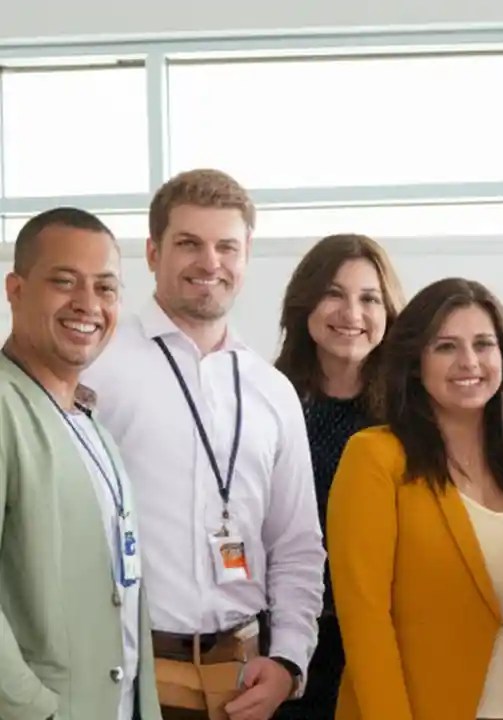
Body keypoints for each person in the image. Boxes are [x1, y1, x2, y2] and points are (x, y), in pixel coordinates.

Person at [82, 169, 325, 720]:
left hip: (242, 676)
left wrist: (288, 659)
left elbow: (296, 544)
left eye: (226, 247)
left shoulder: (272, 391)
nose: (209, 263)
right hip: (131, 672)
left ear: (245, 256)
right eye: (189, 243)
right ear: (152, 252)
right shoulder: (97, 367)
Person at [327, 278, 503, 720]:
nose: (468, 362)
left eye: (483, 344)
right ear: (416, 362)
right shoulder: (375, 458)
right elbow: (366, 623)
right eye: (446, 347)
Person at [0, 208, 162, 720]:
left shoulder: (88, 419)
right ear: (16, 288)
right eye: (64, 282)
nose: (88, 305)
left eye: (106, 288)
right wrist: (34, 709)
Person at [273, 233, 405, 720]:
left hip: (386, 636)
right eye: (334, 294)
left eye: (369, 298)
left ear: (389, 310)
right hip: (287, 640)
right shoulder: (268, 399)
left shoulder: (413, 415)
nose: (352, 313)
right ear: (304, 304)